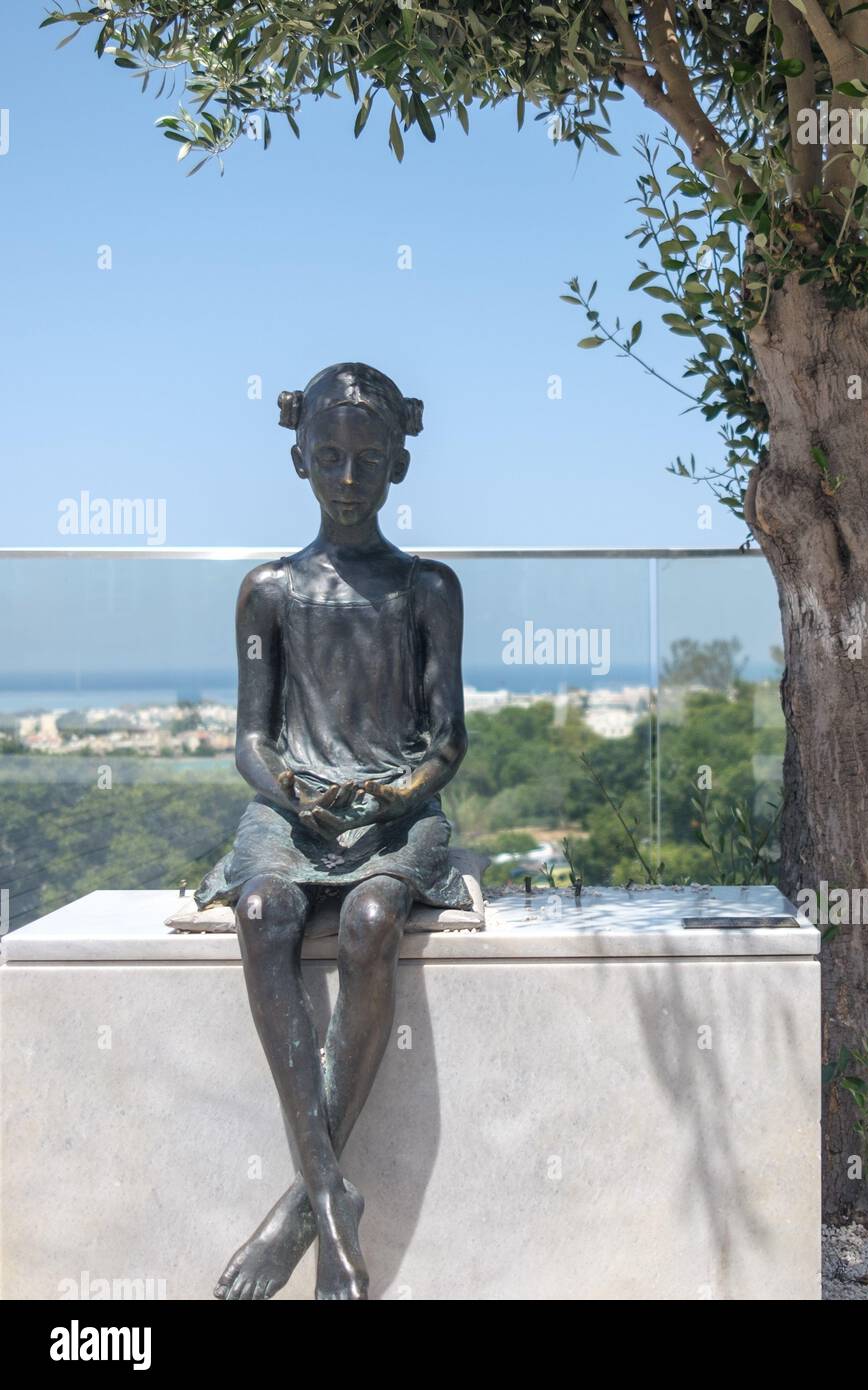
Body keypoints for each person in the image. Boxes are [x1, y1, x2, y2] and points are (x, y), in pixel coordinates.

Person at [201, 363, 470, 1300]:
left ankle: (298, 1213)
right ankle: (329, 1196)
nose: (347, 478)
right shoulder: (266, 593)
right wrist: (289, 789)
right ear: (299, 461)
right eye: (328, 458)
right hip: (291, 813)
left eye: (366, 459)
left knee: (367, 927)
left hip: (398, 817)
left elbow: (446, 744)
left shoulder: (427, 587)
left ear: (398, 463)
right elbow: (249, 740)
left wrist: (400, 793)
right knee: (264, 911)